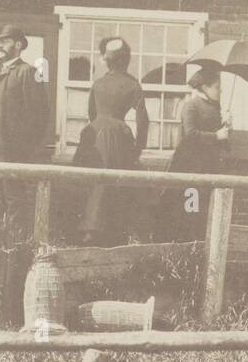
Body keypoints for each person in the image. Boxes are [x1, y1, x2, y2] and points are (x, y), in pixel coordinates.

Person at [72, 37, 148, 246]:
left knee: (94, 180)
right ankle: (112, 230)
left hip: (93, 134)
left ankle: (89, 229)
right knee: (117, 181)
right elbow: (143, 120)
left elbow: (91, 113)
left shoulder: (98, 84)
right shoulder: (133, 85)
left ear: (107, 61)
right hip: (118, 137)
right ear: (126, 60)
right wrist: (138, 148)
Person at [0, 24, 49, 228]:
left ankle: (14, 250)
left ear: (18, 45)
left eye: (5, 41)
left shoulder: (28, 72)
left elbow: (40, 115)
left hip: (13, 147)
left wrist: (22, 145)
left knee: (13, 196)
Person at [154, 66, 230, 242]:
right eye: (217, 87)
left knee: (204, 209)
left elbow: (221, 142)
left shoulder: (216, 108)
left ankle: (200, 245)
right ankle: (187, 244)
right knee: (190, 208)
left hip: (208, 167)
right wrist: (216, 135)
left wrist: (225, 126)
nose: (221, 91)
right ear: (205, 87)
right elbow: (190, 134)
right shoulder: (191, 106)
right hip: (190, 166)